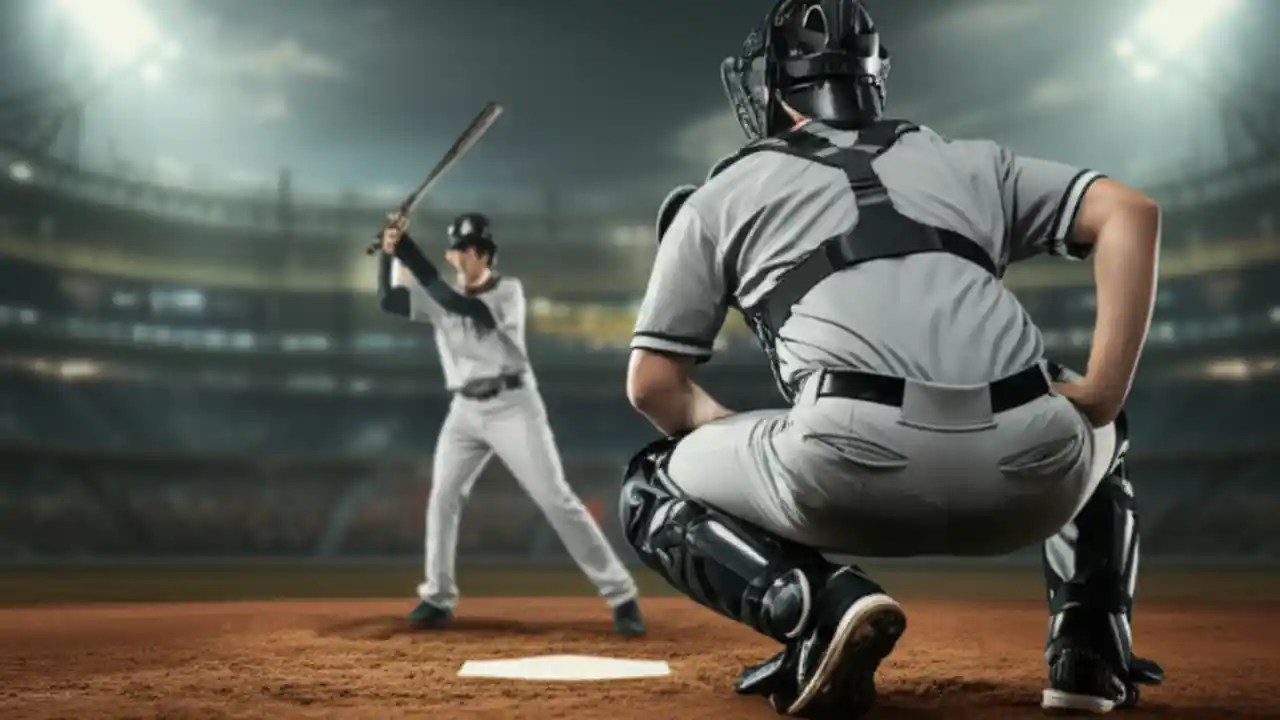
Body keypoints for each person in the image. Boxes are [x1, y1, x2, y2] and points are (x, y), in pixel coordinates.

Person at [619, 1, 1163, 716]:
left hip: (845, 471)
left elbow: (654, 387)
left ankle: (817, 606)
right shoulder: (973, 161)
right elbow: (1132, 213)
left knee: (649, 486)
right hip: (1032, 475)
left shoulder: (721, 194)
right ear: (876, 80)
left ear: (775, 85)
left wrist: (736, 433)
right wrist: (1102, 394)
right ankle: (1088, 656)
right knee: (1094, 423)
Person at [376, 210, 645, 637]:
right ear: (452, 256)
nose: (469, 255)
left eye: (476, 249)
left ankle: (621, 595)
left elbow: (458, 305)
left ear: (487, 255)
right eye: (462, 249)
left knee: (555, 499)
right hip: (464, 410)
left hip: (513, 406)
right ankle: (437, 597)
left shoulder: (508, 293)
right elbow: (390, 301)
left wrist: (406, 248)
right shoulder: (439, 292)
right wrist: (388, 255)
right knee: (442, 496)